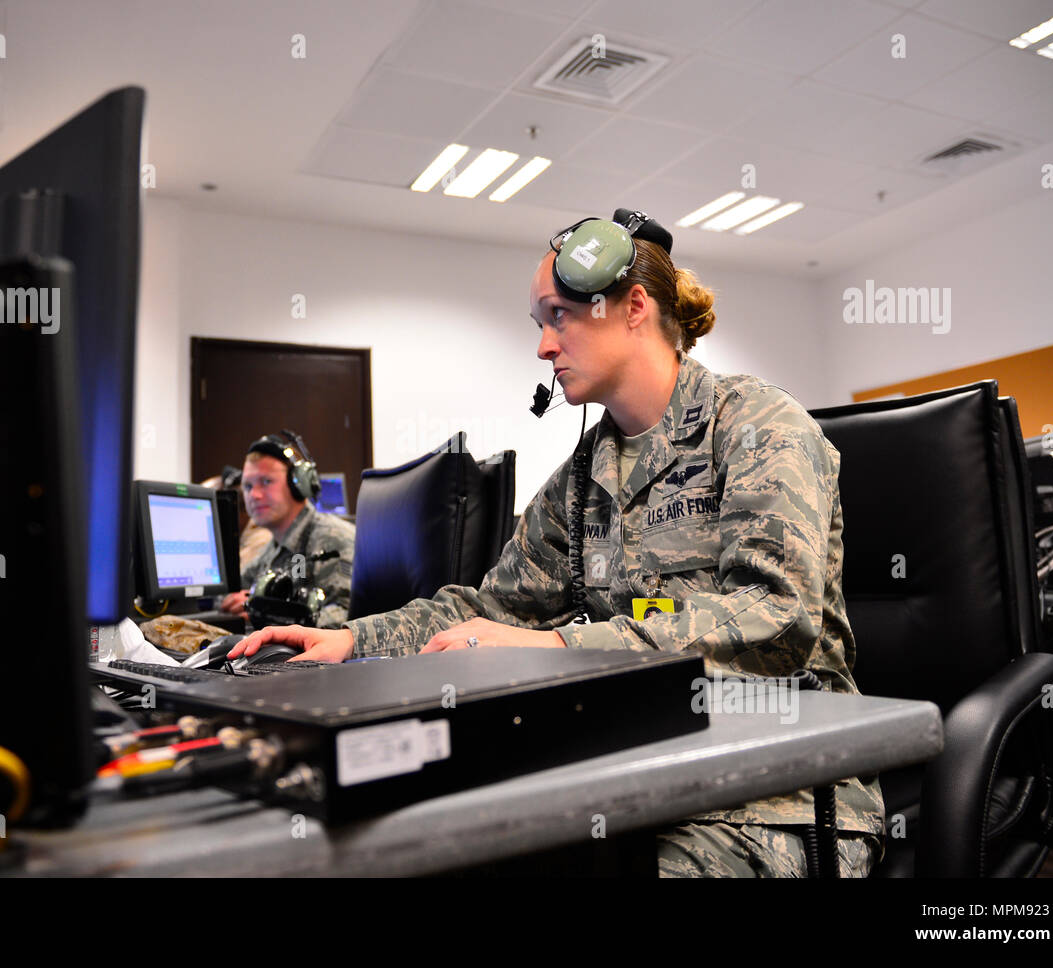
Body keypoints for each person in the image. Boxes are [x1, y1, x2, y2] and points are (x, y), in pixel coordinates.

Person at [231, 210, 885, 877]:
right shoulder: (580, 480)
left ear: (633, 307)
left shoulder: (757, 428)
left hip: (779, 789)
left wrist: (559, 646)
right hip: (636, 766)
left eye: (559, 317)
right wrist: (352, 641)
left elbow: (776, 620)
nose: (544, 347)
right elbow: (492, 609)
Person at [218, 430, 355, 630]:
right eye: (247, 486)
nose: (253, 495)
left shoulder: (332, 539)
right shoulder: (274, 548)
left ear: (298, 485)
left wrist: (271, 614)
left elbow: (349, 615)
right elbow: (230, 592)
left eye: (266, 482)